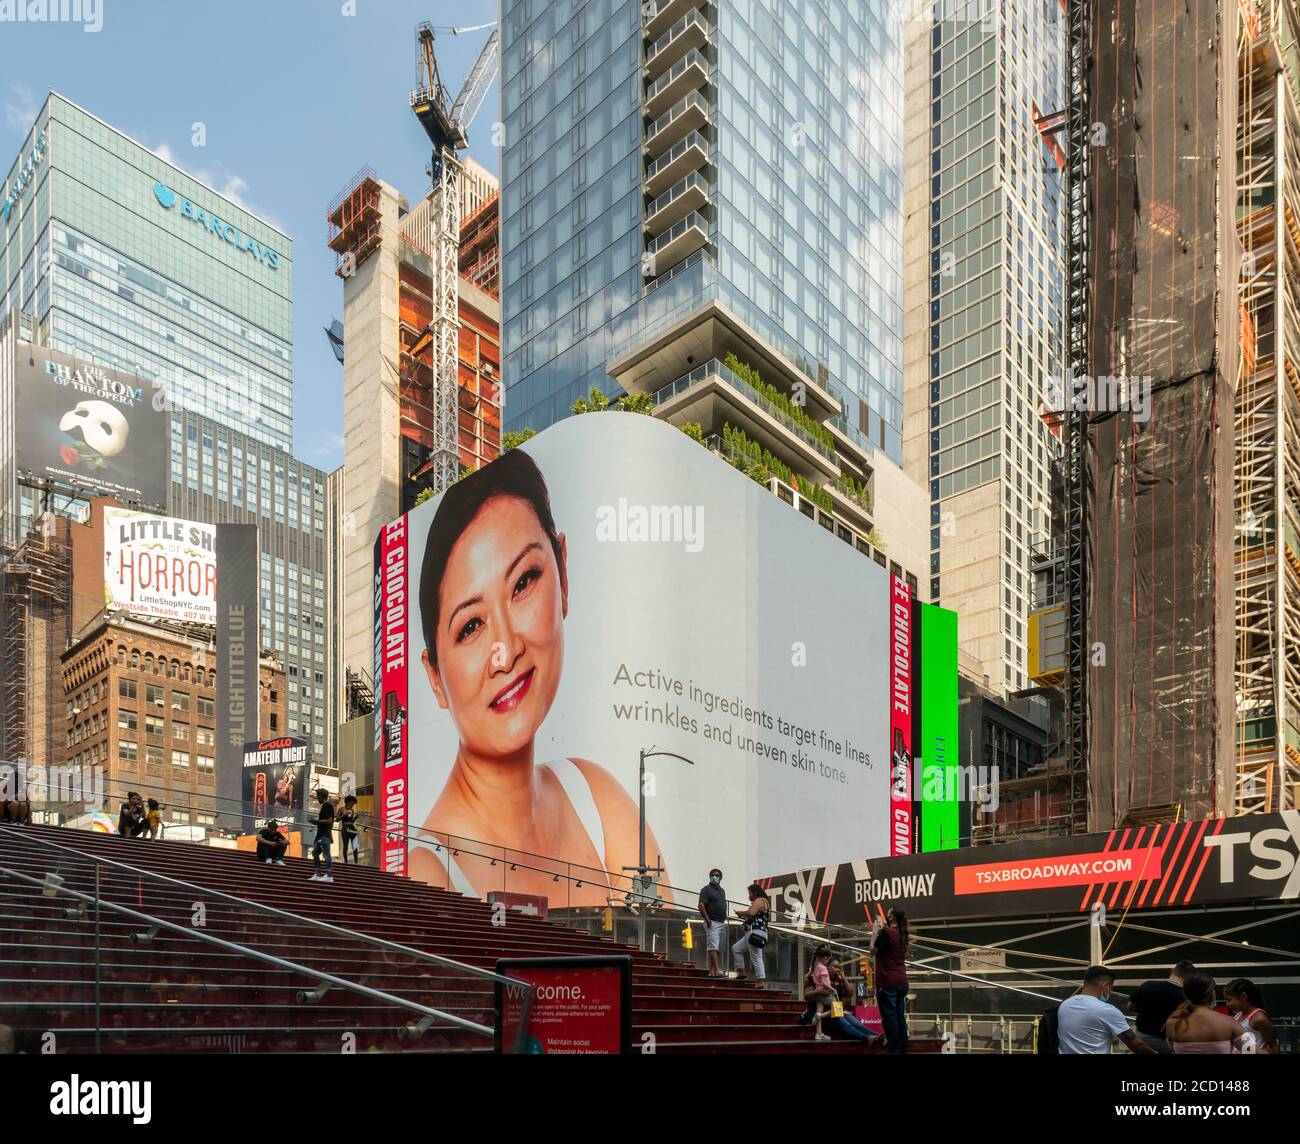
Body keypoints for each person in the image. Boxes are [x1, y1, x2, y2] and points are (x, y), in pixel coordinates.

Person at [410, 450, 668, 905]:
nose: (505, 651)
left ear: (563, 572)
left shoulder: (596, 798)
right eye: (470, 626)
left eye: (523, 583)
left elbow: (667, 963)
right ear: (434, 676)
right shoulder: (428, 875)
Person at [1057, 966, 1157, 1054]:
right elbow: (1138, 1046)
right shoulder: (1106, 1010)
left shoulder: (1065, 1004)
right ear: (1106, 985)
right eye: (1111, 989)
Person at [1164, 973, 1250, 1054]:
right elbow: (1251, 1050)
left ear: (1186, 994)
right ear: (1212, 994)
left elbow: (1172, 1049)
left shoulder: (1173, 1023)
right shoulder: (1228, 1023)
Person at [1126, 959, 1195, 1054]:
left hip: (1143, 1038)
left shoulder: (1148, 985)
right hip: (1172, 1042)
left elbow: (1130, 1007)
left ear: (1171, 971)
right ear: (1191, 978)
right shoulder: (1189, 997)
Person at [871, 907, 911, 1053]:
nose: (886, 916)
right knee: (900, 1017)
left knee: (890, 1019)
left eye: (888, 914)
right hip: (902, 981)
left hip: (887, 982)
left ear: (892, 917)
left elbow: (872, 951)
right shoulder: (902, 934)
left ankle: (893, 1049)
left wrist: (875, 933)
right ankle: (903, 1049)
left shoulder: (886, 933)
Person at [1225, 979, 1279, 1054]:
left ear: (1243, 996)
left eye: (1229, 1000)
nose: (1227, 1004)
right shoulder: (1238, 1015)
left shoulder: (1259, 1019)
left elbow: (1273, 1047)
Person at [731, 882, 770, 983]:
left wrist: (741, 912)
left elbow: (751, 913)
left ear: (755, 893)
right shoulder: (762, 902)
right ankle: (741, 971)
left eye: (749, 893)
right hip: (756, 932)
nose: (749, 896)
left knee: (756, 956)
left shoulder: (759, 900)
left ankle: (760, 980)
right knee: (736, 949)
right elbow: (752, 914)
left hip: (755, 931)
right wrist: (742, 915)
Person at [698, 868, 727, 977]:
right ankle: (718, 969)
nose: (714, 877)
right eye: (712, 875)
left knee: (717, 948)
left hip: (721, 922)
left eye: (717, 875)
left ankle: (712, 971)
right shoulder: (706, 889)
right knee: (713, 947)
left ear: (721, 878)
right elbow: (701, 905)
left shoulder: (722, 891)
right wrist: (708, 920)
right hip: (712, 922)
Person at [307, 788, 335, 883]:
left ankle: (329, 875)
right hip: (320, 834)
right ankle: (318, 873)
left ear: (322, 796)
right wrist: (316, 822)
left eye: (318, 796)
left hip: (324, 835)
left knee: (326, 855)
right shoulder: (324, 806)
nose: (317, 798)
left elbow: (329, 820)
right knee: (315, 853)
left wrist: (317, 821)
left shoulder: (327, 805)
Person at [338, 795, 360, 865]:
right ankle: (346, 861)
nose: (353, 805)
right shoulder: (341, 809)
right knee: (345, 845)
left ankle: (356, 862)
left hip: (352, 828)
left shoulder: (352, 810)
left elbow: (352, 821)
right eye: (352, 803)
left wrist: (356, 817)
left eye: (353, 804)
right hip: (345, 828)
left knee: (355, 845)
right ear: (348, 802)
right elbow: (337, 819)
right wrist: (343, 815)